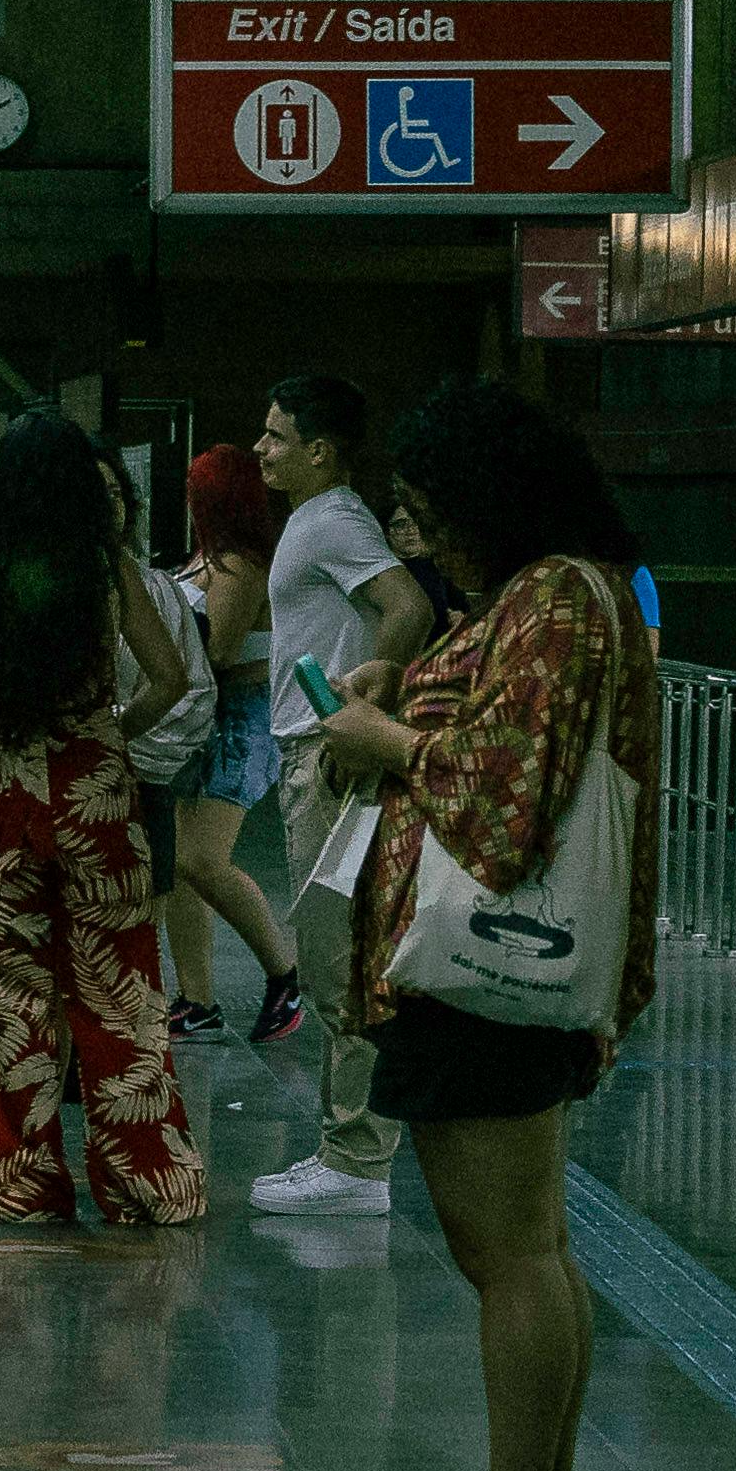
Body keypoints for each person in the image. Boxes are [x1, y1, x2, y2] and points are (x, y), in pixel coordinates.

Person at [304, 380, 657, 1471]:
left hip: (490, 963)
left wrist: (386, 746)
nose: (415, 538)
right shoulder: (543, 593)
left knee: (504, 1250)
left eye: (424, 512)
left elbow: (508, 788)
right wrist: (401, 700)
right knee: (529, 1249)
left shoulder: (557, 596)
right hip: (490, 968)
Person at [0, 409, 200, 1222]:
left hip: (2, 797)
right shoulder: (103, 567)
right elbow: (169, 676)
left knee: (7, 995)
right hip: (95, 794)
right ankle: (149, 1186)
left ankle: (13, 1183)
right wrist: (106, 730)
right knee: (120, 994)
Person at [239, 373, 432, 1216]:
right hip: (308, 752)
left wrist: (365, 708)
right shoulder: (312, 521)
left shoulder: (336, 520)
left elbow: (407, 605)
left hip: (330, 759)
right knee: (330, 953)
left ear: (320, 451)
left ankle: (356, 1159)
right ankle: (343, 1147)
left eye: (276, 436)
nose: (261, 448)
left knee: (338, 953)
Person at [157, 443, 309, 1043]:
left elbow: (217, 649)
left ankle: (285, 975)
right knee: (177, 863)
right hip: (204, 716)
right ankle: (197, 997)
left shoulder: (241, 565)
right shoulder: (211, 557)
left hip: (240, 718)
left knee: (202, 859)